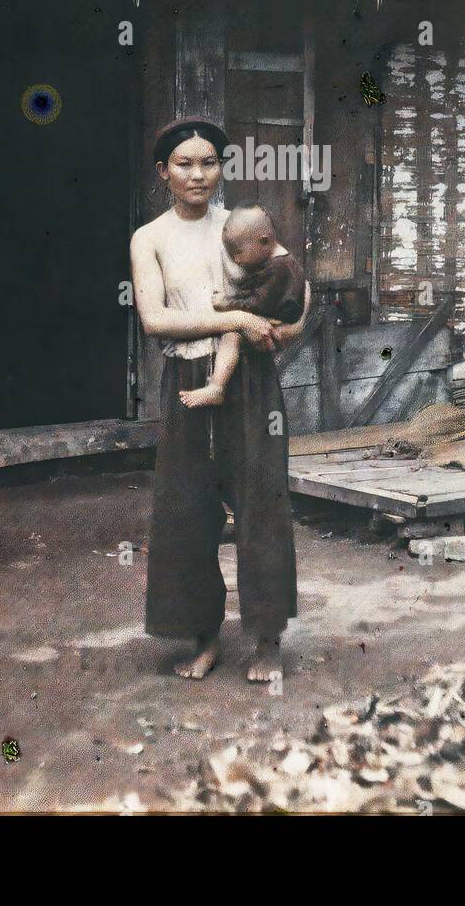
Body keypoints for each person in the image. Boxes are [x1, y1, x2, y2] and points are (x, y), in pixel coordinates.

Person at [130, 118, 309, 683]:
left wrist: (292, 326)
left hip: (251, 380)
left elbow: (295, 286)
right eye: (184, 164)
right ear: (163, 173)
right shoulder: (150, 237)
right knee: (186, 509)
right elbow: (156, 319)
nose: (197, 174)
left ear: (222, 168)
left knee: (262, 504)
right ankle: (203, 638)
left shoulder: (241, 226)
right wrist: (235, 317)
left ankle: (267, 640)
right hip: (186, 377)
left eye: (208, 162)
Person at [178, 204, 306, 410]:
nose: (236, 259)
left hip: (276, 321)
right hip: (274, 314)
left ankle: (217, 387)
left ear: (263, 241)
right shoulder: (276, 259)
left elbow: (258, 303)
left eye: (238, 253)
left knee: (231, 336)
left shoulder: (278, 268)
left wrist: (227, 303)